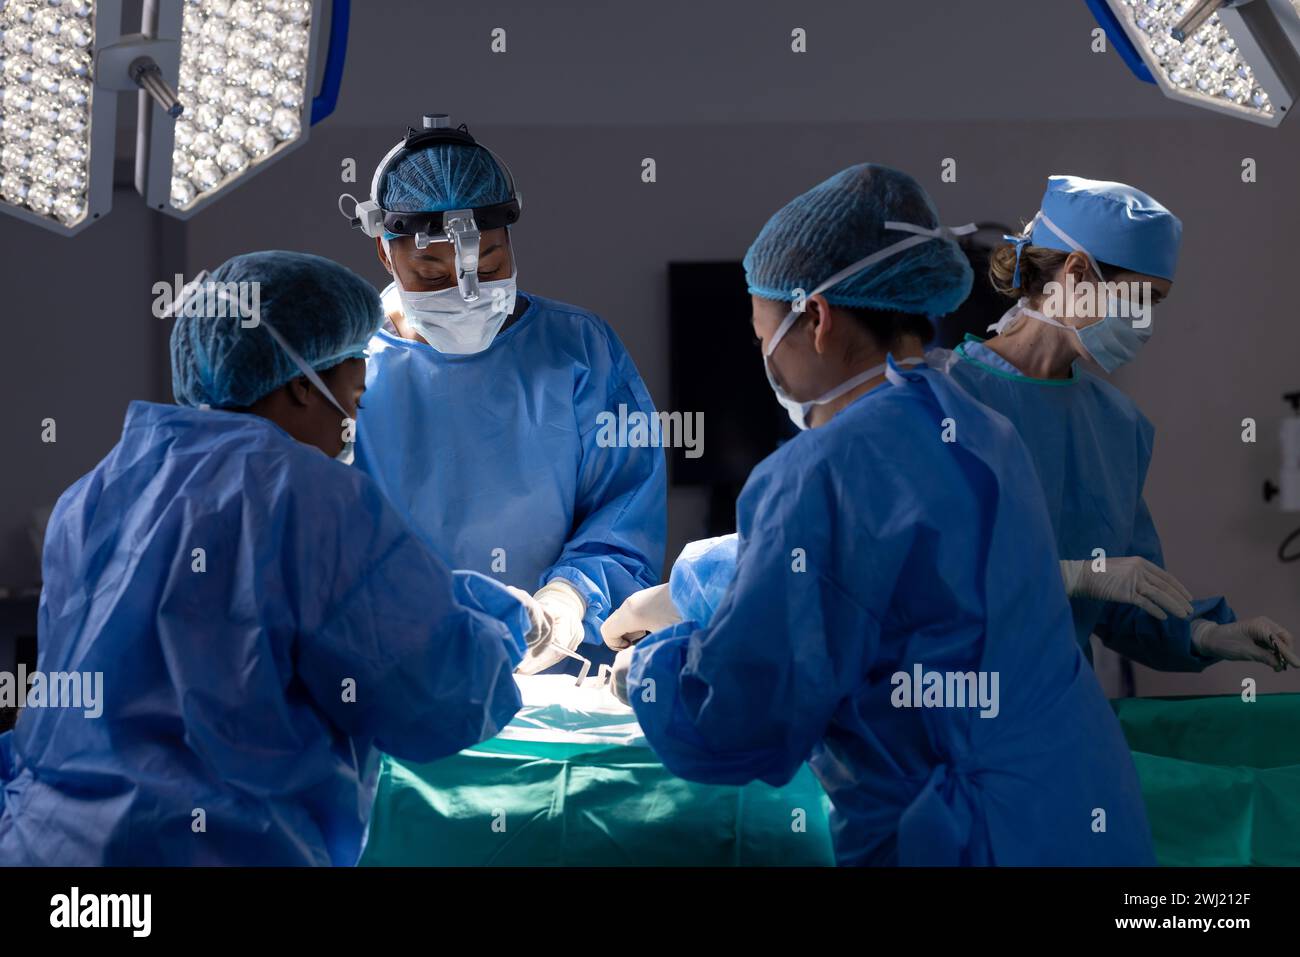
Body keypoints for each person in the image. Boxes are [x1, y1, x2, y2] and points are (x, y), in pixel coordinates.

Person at [605, 165, 1154, 866]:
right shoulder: (980, 428)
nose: (764, 359)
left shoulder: (821, 470)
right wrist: (690, 591)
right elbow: (881, 586)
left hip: (965, 838)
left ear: (817, 318)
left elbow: (741, 720)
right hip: (1075, 807)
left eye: (761, 335)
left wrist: (645, 671)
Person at [0, 251, 549, 866]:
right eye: (357, 400)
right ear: (300, 384)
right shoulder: (307, 495)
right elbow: (438, 697)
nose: (354, 425)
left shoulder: (98, 490)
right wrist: (508, 623)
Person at [928, 175, 1297, 673]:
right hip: (938, 706)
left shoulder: (1115, 424)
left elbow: (1125, 599)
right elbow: (916, 571)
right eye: (1142, 299)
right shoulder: (939, 398)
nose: (1145, 322)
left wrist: (1208, 634)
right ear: (1078, 271)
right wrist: (1070, 576)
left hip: (1058, 708)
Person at [345, 115, 666, 675]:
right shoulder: (348, 365)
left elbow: (626, 503)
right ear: (384, 253)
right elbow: (324, 535)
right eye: (431, 273)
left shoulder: (579, 349)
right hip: (393, 669)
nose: (466, 294)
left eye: (489, 267)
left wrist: (570, 600)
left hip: (556, 672)